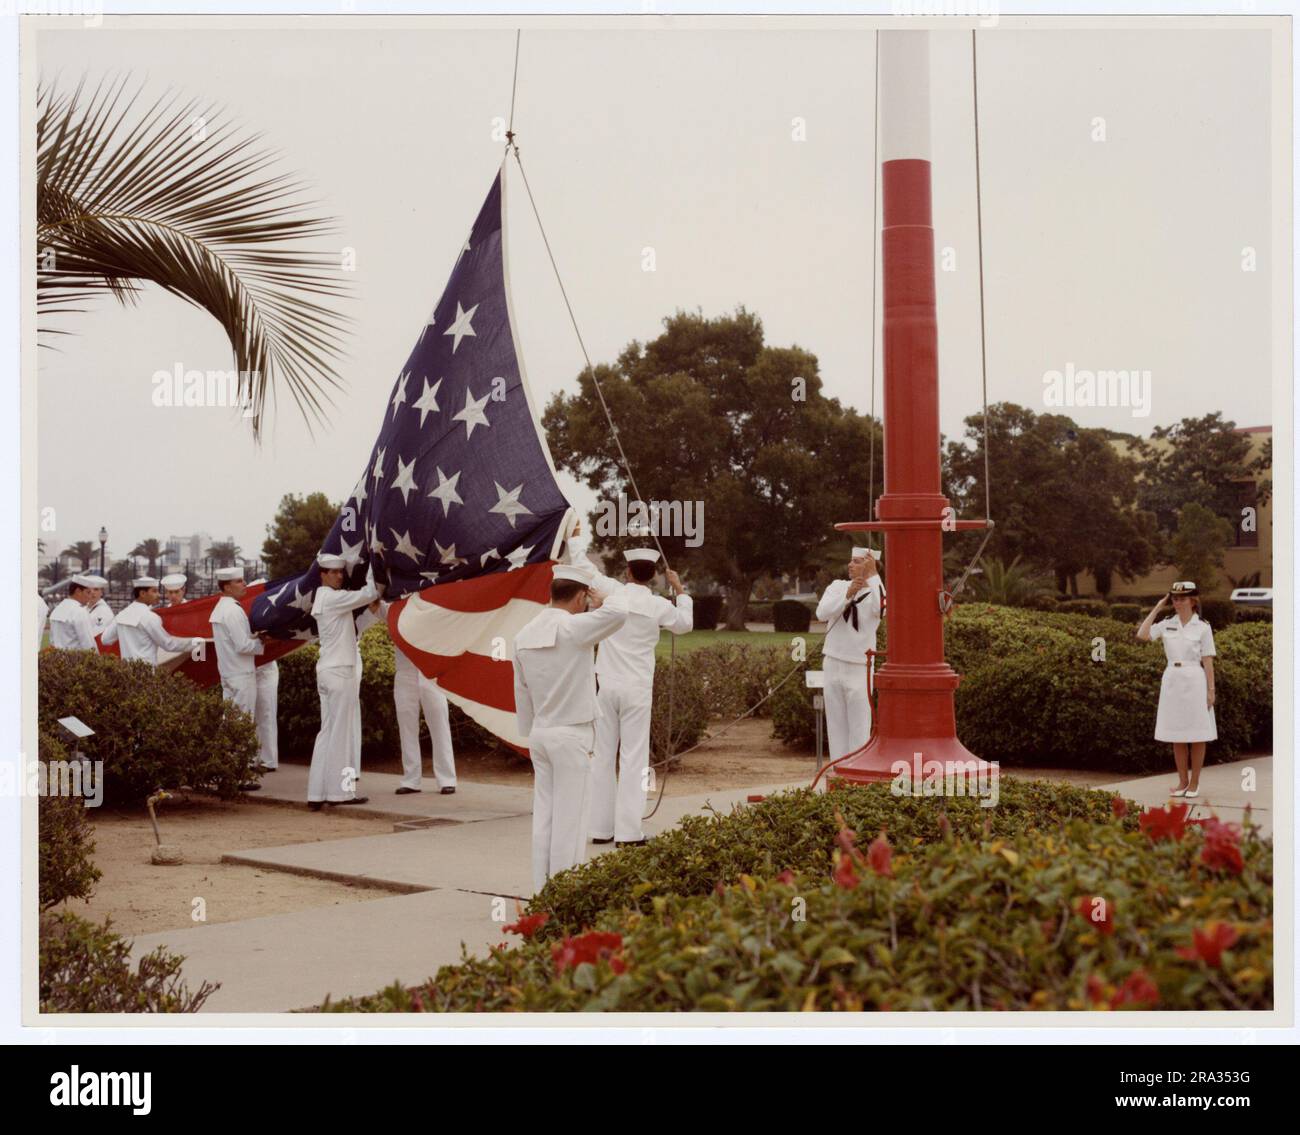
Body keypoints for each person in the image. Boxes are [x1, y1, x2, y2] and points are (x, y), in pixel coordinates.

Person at [513, 563, 628, 893]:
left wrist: (531, 728)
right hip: (572, 734)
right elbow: (620, 613)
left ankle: (542, 889)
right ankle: (566, 892)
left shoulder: (523, 634)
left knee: (545, 817)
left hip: (541, 732)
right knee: (571, 820)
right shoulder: (575, 629)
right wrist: (602, 595)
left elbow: (521, 690)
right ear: (580, 597)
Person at [588, 548, 692, 847]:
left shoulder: (614, 594)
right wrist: (680, 590)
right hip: (636, 688)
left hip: (606, 685)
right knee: (633, 759)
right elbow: (685, 624)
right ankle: (628, 833)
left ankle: (600, 828)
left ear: (627, 572)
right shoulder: (657, 605)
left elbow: (588, 572)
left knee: (603, 756)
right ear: (654, 576)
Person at [307, 554, 382, 809]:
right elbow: (369, 592)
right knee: (342, 733)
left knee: (327, 733)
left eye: (341, 572)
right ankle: (342, 793)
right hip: (340, 672)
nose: (339, 576)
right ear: (323, 575)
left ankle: (316, 793)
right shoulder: (332, 598)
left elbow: (361, 613)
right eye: (333, 572)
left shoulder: (324, 598)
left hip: (328, 670)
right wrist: (374, 560)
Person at [1137, 581, 1217, 799]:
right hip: (1172, 679)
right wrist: (1157, 607)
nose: (1177, 602)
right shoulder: (1167, 623)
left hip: (1195, 679)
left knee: (1198, 734)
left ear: (1193, 601)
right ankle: (1182, 781)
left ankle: (1194, 782)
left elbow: (1207, 660)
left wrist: (1211, 690)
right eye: (1174, 598)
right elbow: (1142, 635)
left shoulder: (1202, 626)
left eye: (1182, 598)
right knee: (1177, 735)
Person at [815, 547, 886, 763]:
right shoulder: (837, 587)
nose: (850, 565)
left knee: (859, 723)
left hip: (859, 666)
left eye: (856, 562)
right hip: (833, 662)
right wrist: (847, 595)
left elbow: (882, 610)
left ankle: (858, 768)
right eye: (851, 561)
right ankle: (838, 768)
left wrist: (873, 577)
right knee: (836, 723)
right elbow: (822, 613)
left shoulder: (877, 592)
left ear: (869, 566)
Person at [392, 632, 457, 796]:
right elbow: (374, 607)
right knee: (407, 728)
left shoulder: (431, 606)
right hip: (404, 671)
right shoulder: (392, 608)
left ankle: (447, 779)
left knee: (439, 725)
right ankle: (411, 779)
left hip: (430, 670)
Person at [100, 576, 201, 665]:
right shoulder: (150, 617)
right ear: (143, 593)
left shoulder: (122, 615)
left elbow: (105, 639)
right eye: (154, 591)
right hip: (146, 673)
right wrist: (196, 643)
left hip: (126, 673)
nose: (158, 595)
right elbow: (168, 644)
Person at [248, 580, 279, 773]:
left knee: (266, 713)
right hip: (250, 669)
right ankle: (252, 757)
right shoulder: (247, 613)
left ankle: (269, 760)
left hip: (266, 669)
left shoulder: (273, 614)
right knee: (250, 715)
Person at [48, 576, 99, 651]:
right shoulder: (79, 611)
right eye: (88, 592)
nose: (90, 597)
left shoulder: (57, 609)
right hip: (75, 660)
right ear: (78, 591)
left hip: (56, 659)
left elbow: (52, 641)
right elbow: (88, 644)